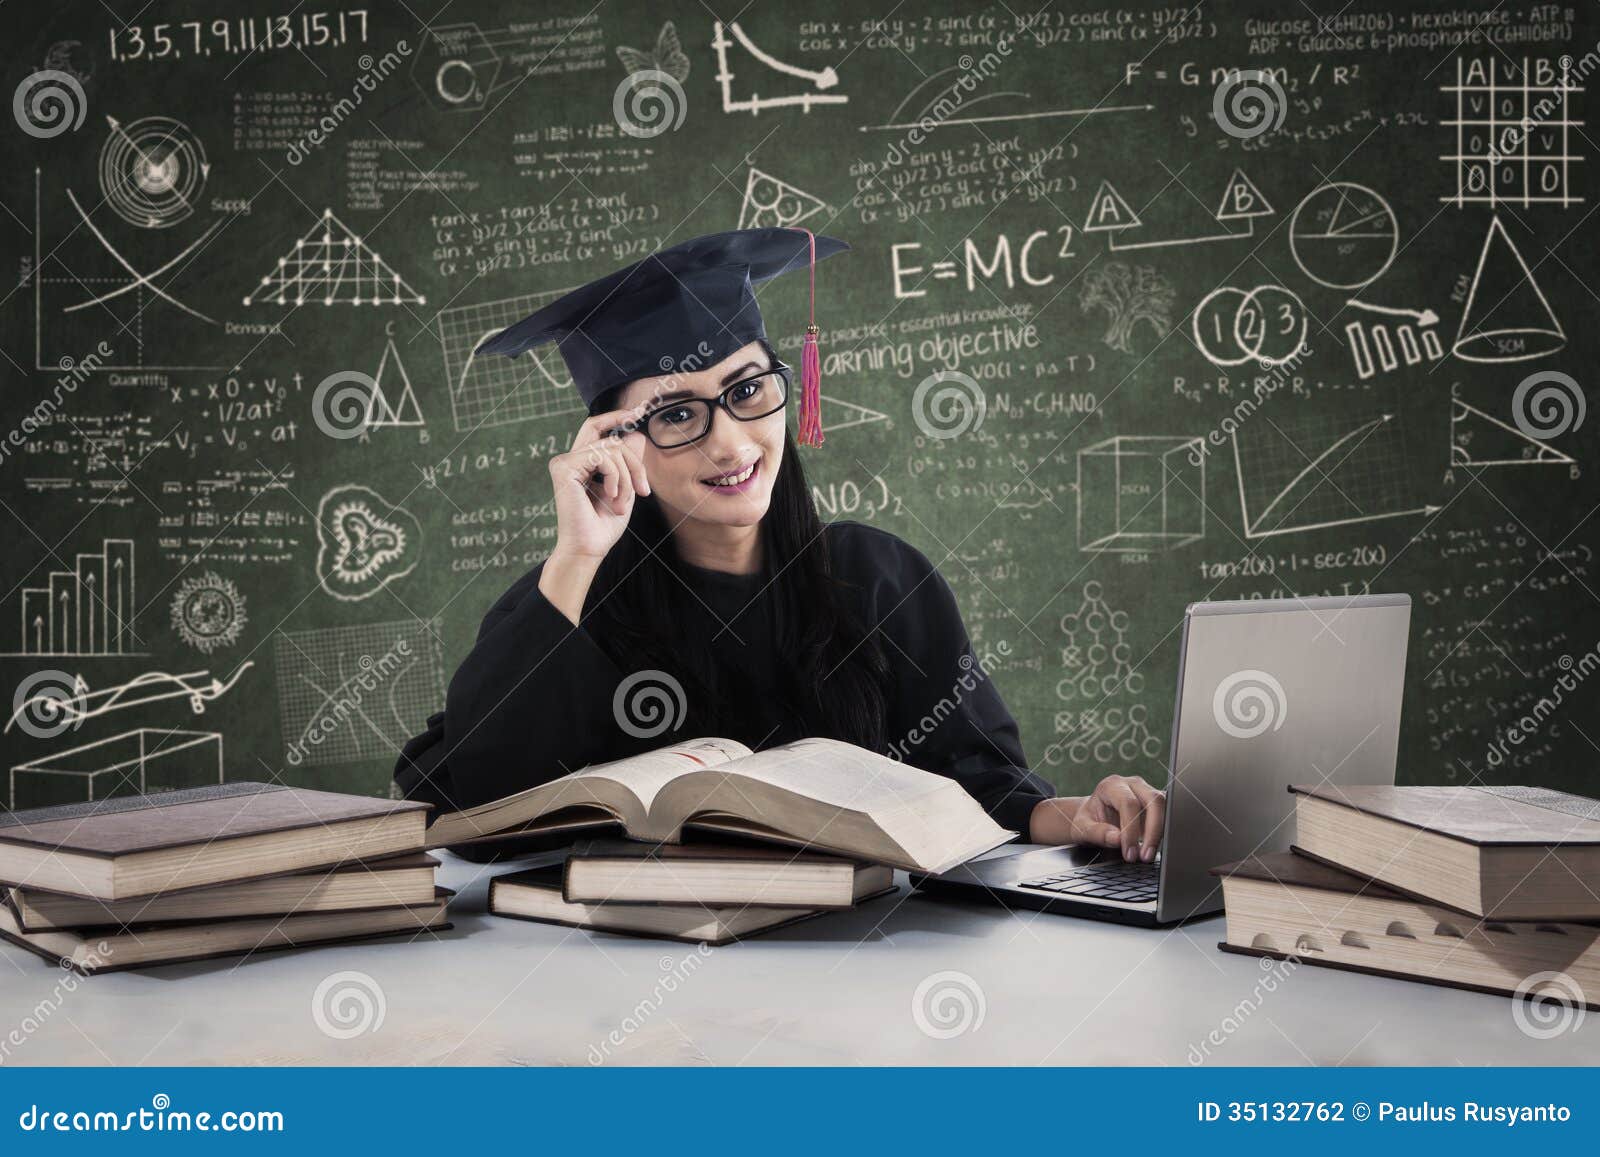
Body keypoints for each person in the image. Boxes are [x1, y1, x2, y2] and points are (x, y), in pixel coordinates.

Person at [395, 228, 1165, 863]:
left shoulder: (877, 578)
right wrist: (575, 554)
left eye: (748, 389)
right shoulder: (574, 598)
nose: (730, 443)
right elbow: (474, 796)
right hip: (637, 977)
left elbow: (982, 785)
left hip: (866, 966)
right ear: (616, 441)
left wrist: (1083, 815)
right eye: (676, 414)